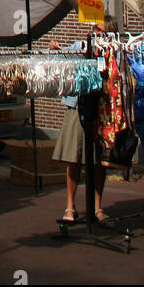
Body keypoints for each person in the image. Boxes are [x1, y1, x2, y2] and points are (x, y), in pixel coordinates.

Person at [50, 39, 107, 224]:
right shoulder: (79, 46)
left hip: (100, 108)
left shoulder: (111, 51)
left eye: (102, 33)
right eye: (96, 32)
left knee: (98, 160)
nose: (97, 35)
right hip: (77, 106)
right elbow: (60, 55)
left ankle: (98, 206)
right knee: (73, 157)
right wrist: (55, 48)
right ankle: (70, 205)